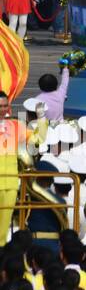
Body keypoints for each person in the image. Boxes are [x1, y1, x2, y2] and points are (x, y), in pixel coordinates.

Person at [0, 91, 27, 246]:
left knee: (3, 227)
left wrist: (42, 119)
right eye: (0, 106)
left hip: (10, 184)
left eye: (5, 106)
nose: (2, 110)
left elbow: (38, 138)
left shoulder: (16, 126)